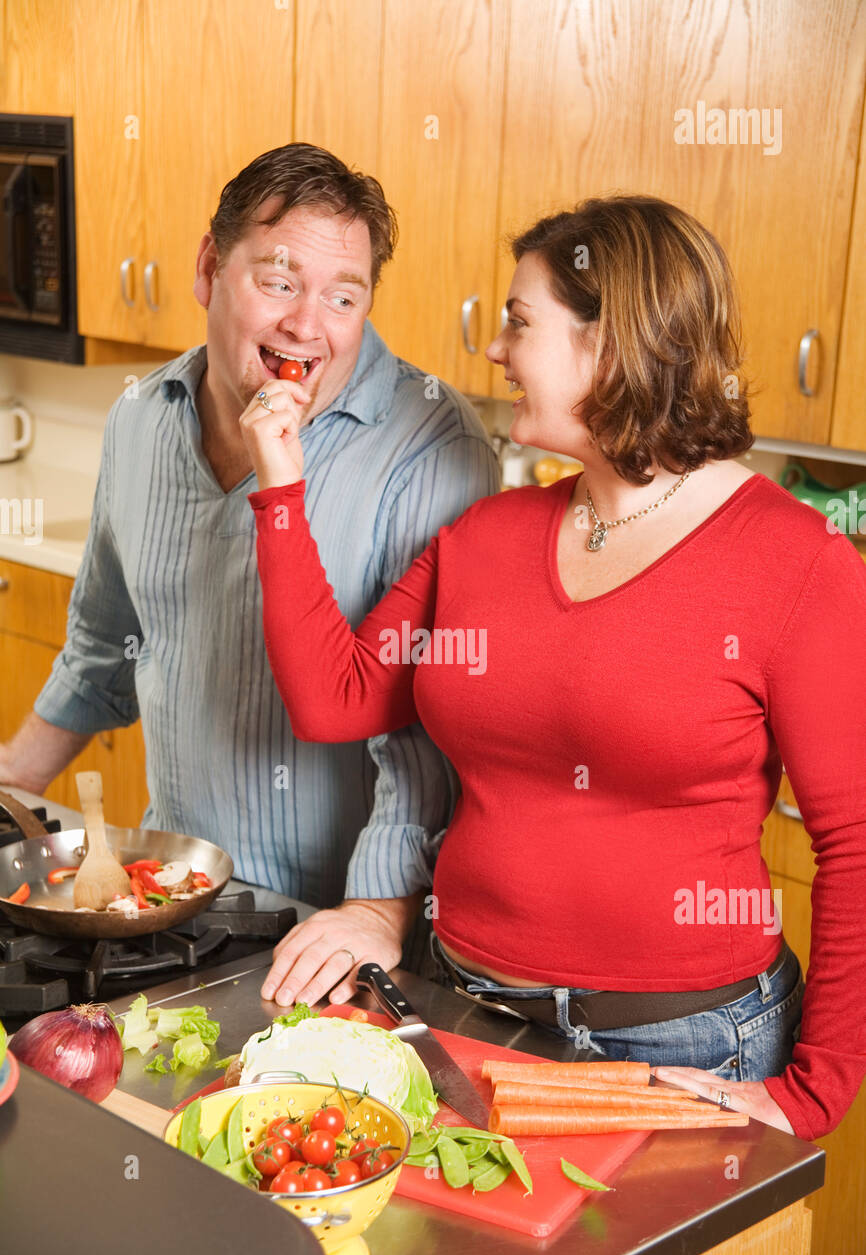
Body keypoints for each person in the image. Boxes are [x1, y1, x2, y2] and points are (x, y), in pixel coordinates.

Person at [240, 193, 866, 1141]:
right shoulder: (486, 536)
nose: (493, 350)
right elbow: (338, 699)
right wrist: (280, 487)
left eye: (518, 322)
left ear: (608, 345)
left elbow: (856, 843)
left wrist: (817, 1091)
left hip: (685, 1047)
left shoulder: (798, 564)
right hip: (460, 1010)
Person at [0, 144, 499, 1005]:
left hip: (330, 938)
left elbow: (424, 734)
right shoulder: (141, 418)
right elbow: (104, 643)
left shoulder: (434, 449)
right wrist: (14, 782)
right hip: (175, 897)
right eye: (279, 280)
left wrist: (374, 918)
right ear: (208, 268)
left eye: (345, 295)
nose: (310, 324)